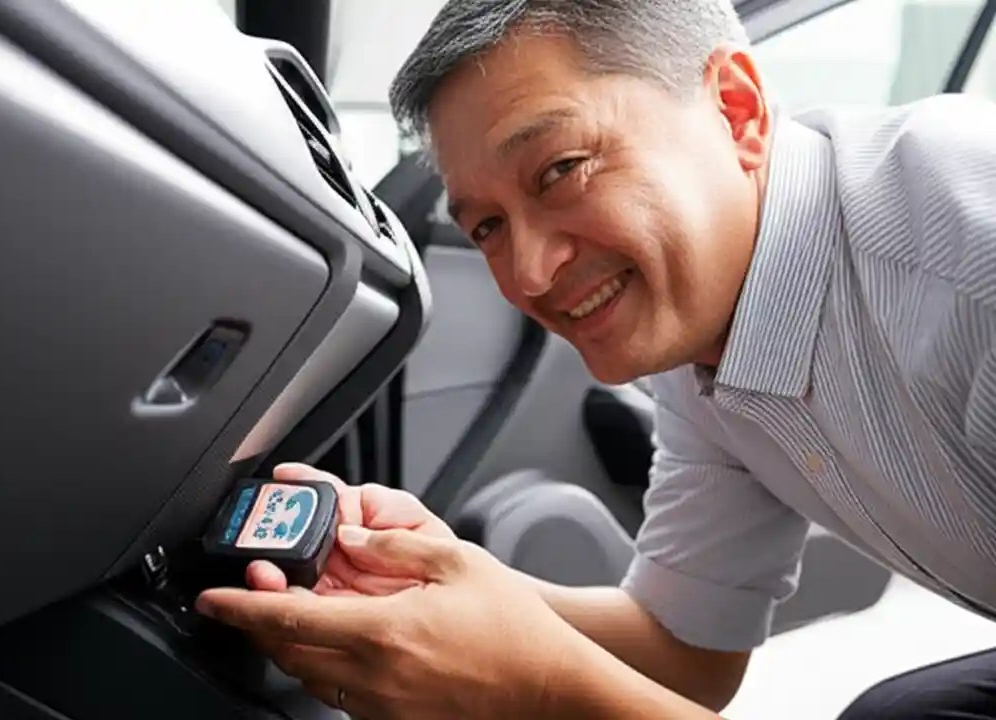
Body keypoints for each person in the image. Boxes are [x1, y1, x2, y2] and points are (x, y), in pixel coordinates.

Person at [195, 0, 996, 717]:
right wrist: (437, 581)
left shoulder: (973, 260)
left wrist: (535, 687)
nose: (529, 275)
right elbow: (685, 653)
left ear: (737, 109)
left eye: (560, 170)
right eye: (487, 229)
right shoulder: (704, 329)